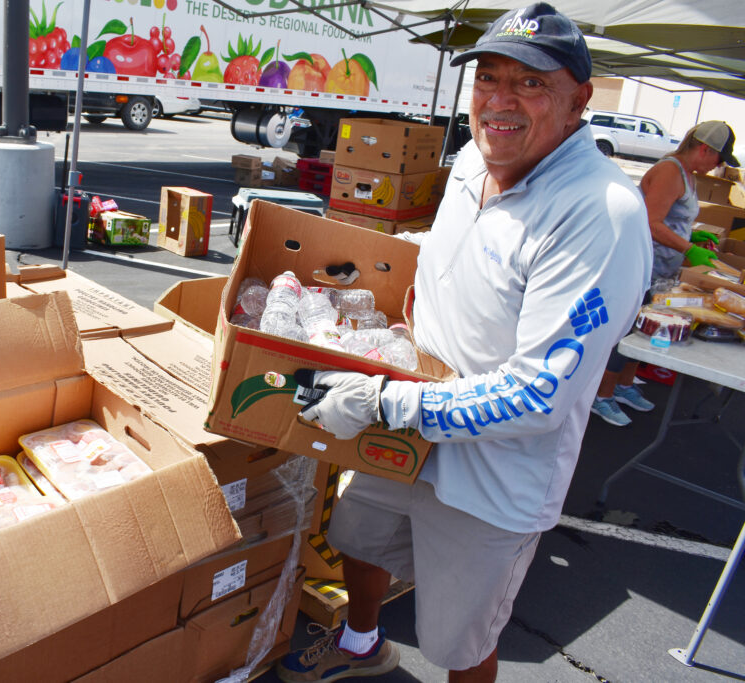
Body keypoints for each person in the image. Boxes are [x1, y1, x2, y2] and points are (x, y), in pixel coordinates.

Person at [276, 4, 652, 682]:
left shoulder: (601, 214)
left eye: (531, 83)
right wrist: (386, 324)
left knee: (458, 638)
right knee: (358, 537)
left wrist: (382, 399)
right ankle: (362, 642)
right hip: (411, 417)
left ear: (579, 100)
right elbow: (451, 264)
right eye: (488, 78)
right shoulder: (471, 161)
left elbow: (537, 396)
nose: (500, 100)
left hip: (493, 472)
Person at [591, 120, 738, 427]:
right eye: (719, 159)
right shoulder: (671, 171)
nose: (719, 166)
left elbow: (672, 220)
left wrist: (692, 237)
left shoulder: (689, 175)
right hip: (643, 265)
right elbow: (650, 221)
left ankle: (623, 387)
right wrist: (688, 249)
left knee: (645, 330)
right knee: (628, 332)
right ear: (704, 149)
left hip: (661, 269)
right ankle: (601, 397)